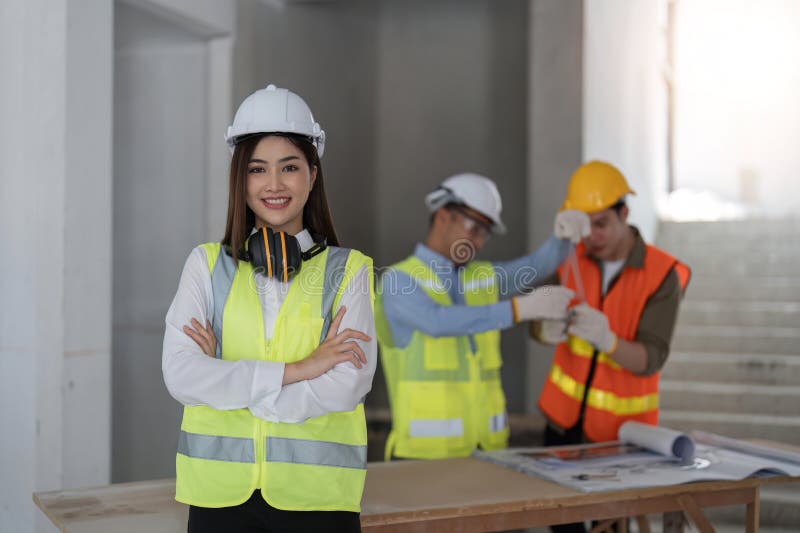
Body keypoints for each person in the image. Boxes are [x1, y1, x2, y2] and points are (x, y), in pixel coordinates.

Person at [162, 84, 376, 533]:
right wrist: (301, 367)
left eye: (290, 168)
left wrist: (229, 383)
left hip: (317, 502)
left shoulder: (349, 271)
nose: (273, 185)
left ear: (312, 176)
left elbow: (346, 386)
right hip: (220, 498)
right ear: (240, 179)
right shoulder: (205, 265)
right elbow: (181, 375)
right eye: (257, 169)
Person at [375, 173, 590, 461]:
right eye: (474, 226)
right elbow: (437, 322)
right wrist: (517, 309)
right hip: (422, 457)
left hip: (486, 451)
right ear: (442, 216)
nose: (478, 241)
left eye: (485, 232)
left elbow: (537, 266)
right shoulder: (398, 280)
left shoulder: (483, 277)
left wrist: (562, 237)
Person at [530, 160, 690, 533]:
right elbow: (533, 318)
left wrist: (609, 341)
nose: (591, 236)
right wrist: (542, 328)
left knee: (611, 529)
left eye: (601, 223)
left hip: (622, 438)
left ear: (625, 214)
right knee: (562, 525)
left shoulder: (661, 274)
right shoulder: (571, 259)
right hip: (562, 426)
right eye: (585, 226)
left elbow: (652, 358)